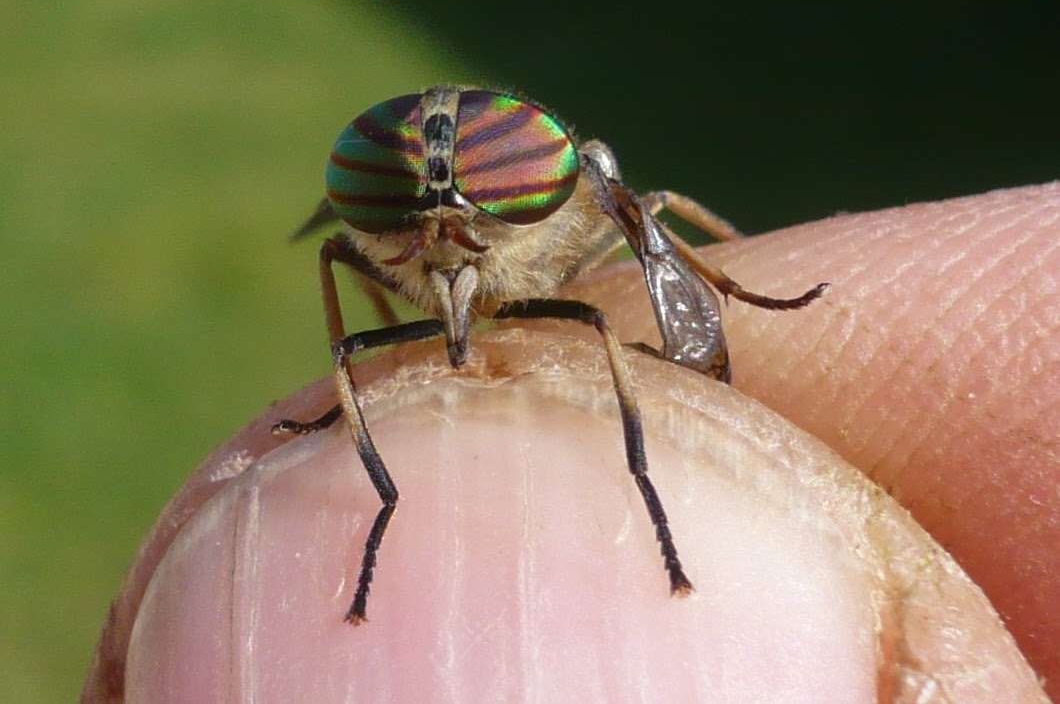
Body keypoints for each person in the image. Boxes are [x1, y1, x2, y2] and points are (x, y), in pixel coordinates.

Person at [83, 184, 1057, 702]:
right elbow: (349, 251)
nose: (443, 218)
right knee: (352, 309)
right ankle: (383, 485)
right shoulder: (380, 243)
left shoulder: (573, 205)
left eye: (480, 184)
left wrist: (736, 298)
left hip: (564, 269)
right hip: (418, 325)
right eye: (400, 192)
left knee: (626, 265)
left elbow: (644, 213)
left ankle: (656, 480)